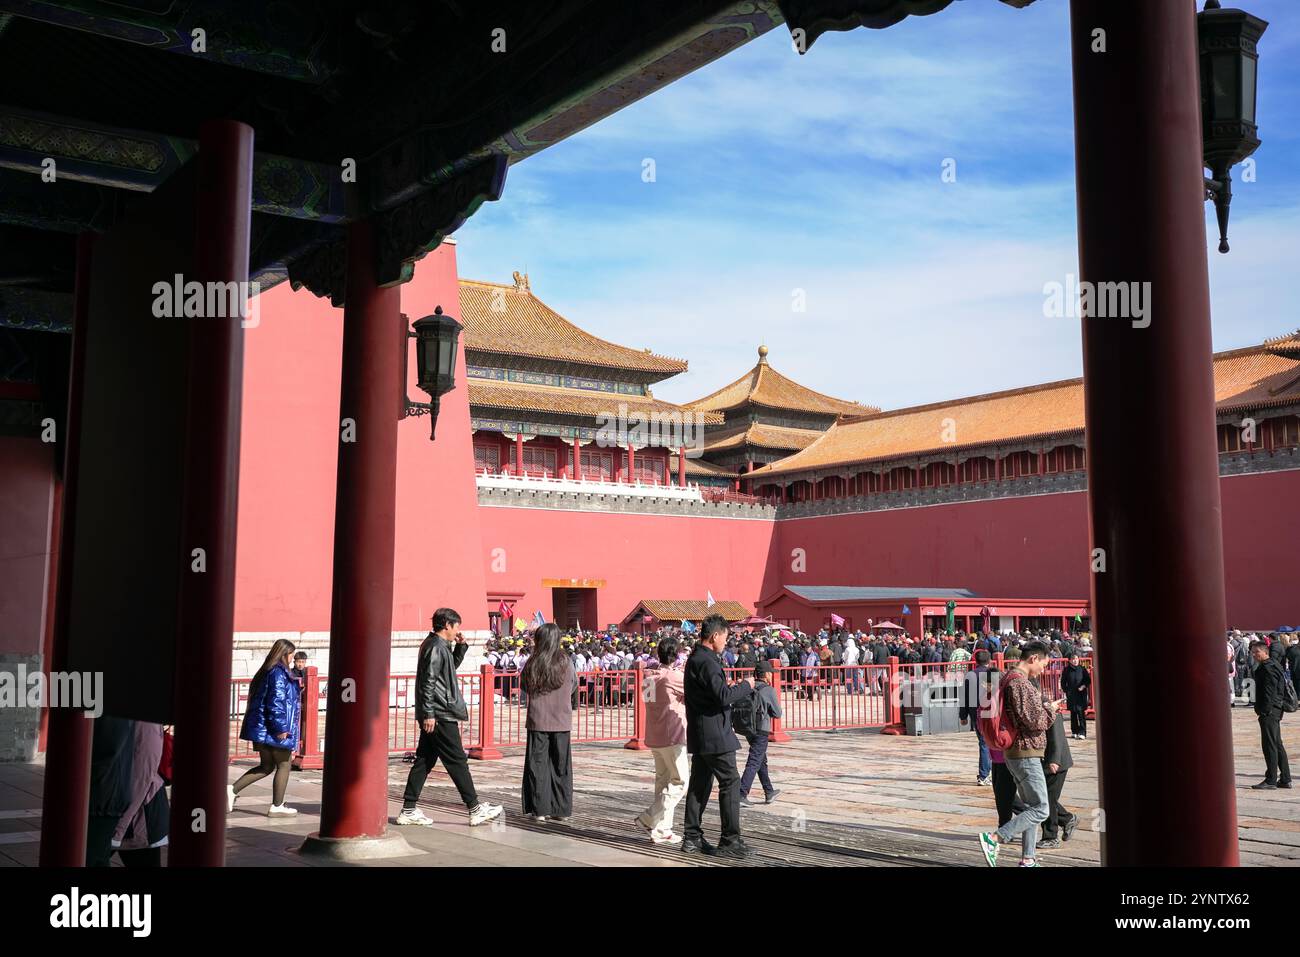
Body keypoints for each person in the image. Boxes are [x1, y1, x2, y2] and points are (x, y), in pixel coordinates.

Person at [396, 608, 504, 826]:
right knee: (456, 760)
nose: (458, 631)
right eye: (457, 626)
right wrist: (428, 713)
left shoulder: (438, 646)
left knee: (424, 760)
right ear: (447, 625)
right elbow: (428, 681)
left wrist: (461, 647)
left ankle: (408, 809)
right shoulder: (435, 647)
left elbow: (448, 670)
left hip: (436, 711)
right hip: (440, 713)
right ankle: (474, 808)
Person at [977, 640, 1061, 868]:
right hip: (1025, 751)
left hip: (1016, 752)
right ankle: (995, 838)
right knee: (1041, 808)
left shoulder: (1007, 678)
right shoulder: (1020, 683)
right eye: (1044, 664)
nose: (1044, 669)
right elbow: (1034, 721)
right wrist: (1050, 710)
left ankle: (1028, 858)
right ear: (1034, 658)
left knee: (1031, 806)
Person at [682, 614, 754, 857]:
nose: (726, 641)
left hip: (702, 732)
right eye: (725, 637)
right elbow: (722, 696)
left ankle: (692, 836)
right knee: (731, 781)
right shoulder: (708, 662)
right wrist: (746, 686)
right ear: (715, 636)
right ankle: (730, 839)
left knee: (700, 784)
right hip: (715, 734)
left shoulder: (696, 658)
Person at [230, 638, 302, 817]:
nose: (293, 658)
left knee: (267, 766)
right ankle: (277, 805)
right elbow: (276, 702)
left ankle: (230, 790)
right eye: (292, 654)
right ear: (285, 653)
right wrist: (281, 728)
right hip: (274, 728)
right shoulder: (278, 672)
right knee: (284, 764)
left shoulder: (267, 670)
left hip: (263, 727)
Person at [520, 622, 576, 822]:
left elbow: (524, 686)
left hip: (538, 719)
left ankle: (540, 809)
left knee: (538, 765)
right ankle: (560, 810)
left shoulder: (532, 662)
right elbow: (573, 686)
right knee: (561, 766)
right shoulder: (566, 662)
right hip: (561, 719)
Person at [636, 637, 689, 845]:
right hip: (673, 734)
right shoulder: (674, 676)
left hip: (654, 734)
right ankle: (650, 817)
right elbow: (692, 693)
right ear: (675, 655)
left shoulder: (649, 677)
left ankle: (662, 828)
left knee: (662, 782)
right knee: (680, 781)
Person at [739, 660, 783, 806]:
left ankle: (768, 791)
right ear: (766, 675)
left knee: (760, 760)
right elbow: (777, 713)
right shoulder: (768, 690)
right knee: (754, 760)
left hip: (748, 728)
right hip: (762, 729)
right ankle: (741, 793)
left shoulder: (748, 688)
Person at [1250, 639, 1292, 790]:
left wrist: (1264, 710)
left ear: (1265, 652)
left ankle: (1271, 779)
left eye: (1257, 652)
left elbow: (1269, 691)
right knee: (1277, 743)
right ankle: (1285, 778)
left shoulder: (1267, 668)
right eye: (1253, 652)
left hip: (1270, 710)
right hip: (1276, 708)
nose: (1254, 655)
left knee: (1270, 745)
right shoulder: (1274, 665)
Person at [1037, 713, 1077, 848]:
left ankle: (1050, 837)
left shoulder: (1049, 708)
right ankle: (1067, 819)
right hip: (1043, 762)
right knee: (1045, 799)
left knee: (1048, 800)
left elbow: (1057, 735)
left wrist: (1055, 759)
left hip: (1056, 763)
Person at [962, 650, 993, 786]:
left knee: (983, 742)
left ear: (975, 661)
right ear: (989, 661)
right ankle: (984, 774)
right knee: (989, 743)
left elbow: (964, 697)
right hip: (991, 712)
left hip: (975, 712)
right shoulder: (993, 674)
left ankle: (984, 774)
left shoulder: (970, 675)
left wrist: (963, 716)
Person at [1060, 654, 1091, 739]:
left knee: (1081, 713)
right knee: (1073, 713)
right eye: (1073, 659)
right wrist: (1066, 690)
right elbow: (1063, 682)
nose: (1075, 660)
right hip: (1071, 694)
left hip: (1081, 693)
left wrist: (1083, 686)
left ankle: (1082, 733)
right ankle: (1074, 731)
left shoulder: (1082, 669)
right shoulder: (1066, 670)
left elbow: (1088, 680)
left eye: (1076, 659)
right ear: (1069, 660)